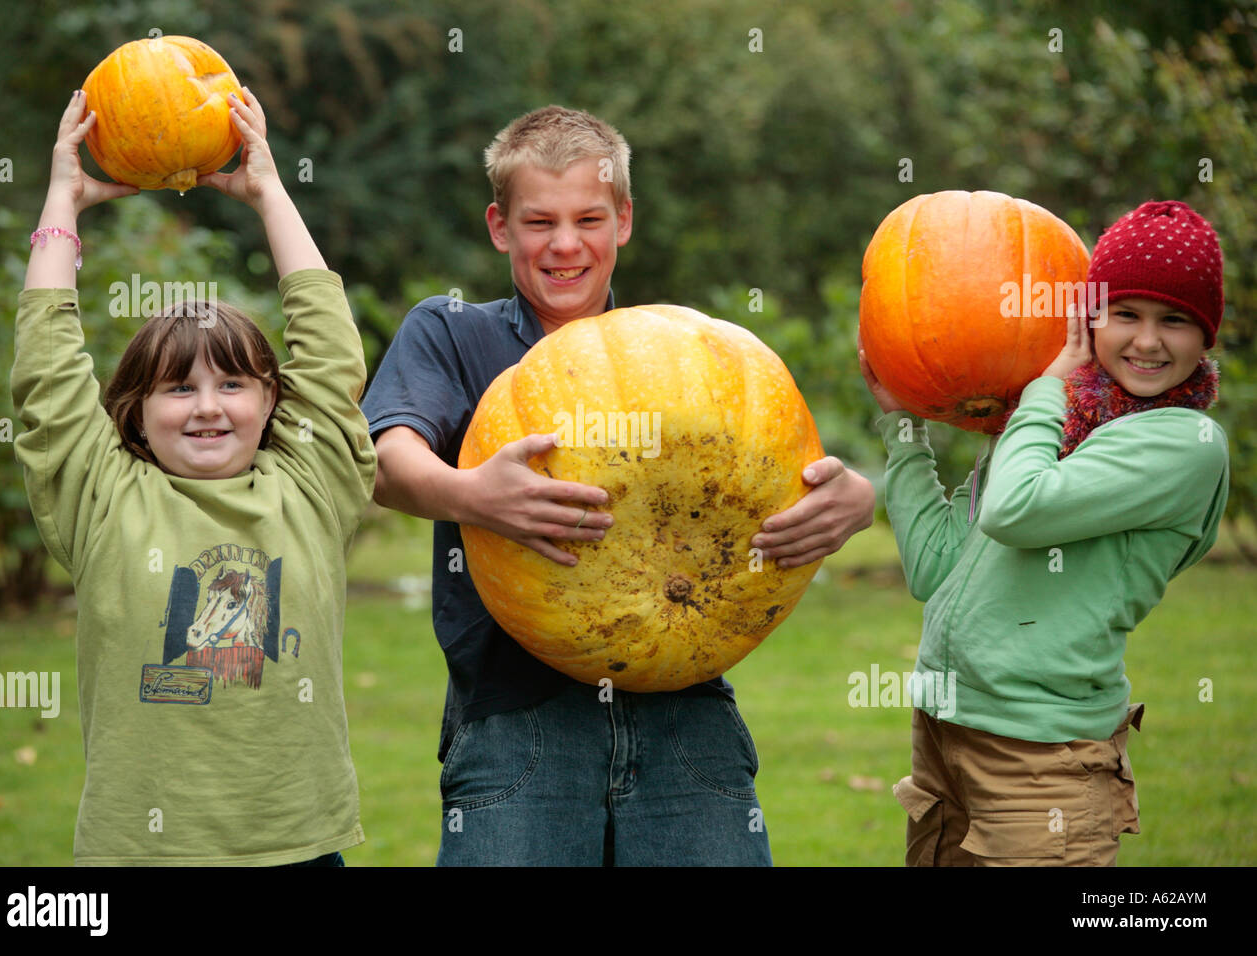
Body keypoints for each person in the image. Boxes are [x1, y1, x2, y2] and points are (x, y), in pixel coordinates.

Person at [364, 104, 875, 866]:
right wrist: (472, 495)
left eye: (588, 219)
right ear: (500, 228)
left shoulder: (679, 350)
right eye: (538, 222)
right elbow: (383, 459)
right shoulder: (453, 332)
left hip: (688, 714)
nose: (564, 245)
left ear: (624, 220)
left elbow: (767, 463)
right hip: (517, 724)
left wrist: (856, 498)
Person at [12, 88, 375, 864]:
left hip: (298, 849)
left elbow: (330, 345)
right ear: (134, 413)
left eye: (232, 384)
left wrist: (269, 190)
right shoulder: (104, 500)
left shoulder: (310, 483)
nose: (207, 407)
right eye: (178, 388)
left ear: (272, 398)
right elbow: (47, 369)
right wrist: (62, 200)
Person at [861, 199, 1229, 866]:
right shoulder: (1058, 427)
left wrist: (1043, 392)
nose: (1146, 341)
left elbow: (1015, 512)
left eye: (1174, 321)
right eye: (1126, 315)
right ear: (1090, 320)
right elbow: (933, 569)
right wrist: (903, 423)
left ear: (1206, 338)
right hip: (945, 731)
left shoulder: (1184, 444)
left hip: (1043, 757)